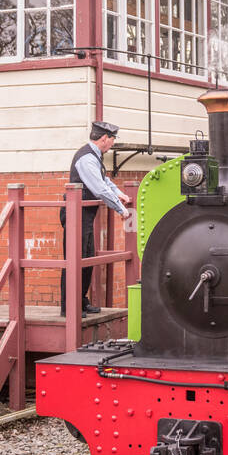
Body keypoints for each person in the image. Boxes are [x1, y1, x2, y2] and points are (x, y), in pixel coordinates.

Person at [61, 121, 131, 317]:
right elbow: (99, 189)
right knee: (74, 258)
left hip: (85, 215)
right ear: (104, 139)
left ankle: (81, 302)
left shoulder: (94, 156)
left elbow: (105, 181)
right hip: (76, 215)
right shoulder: (87, 158)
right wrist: (120, 209)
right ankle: (69, 306)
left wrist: (120, 194)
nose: (113, 144)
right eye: (112, 140)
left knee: (87, 259)